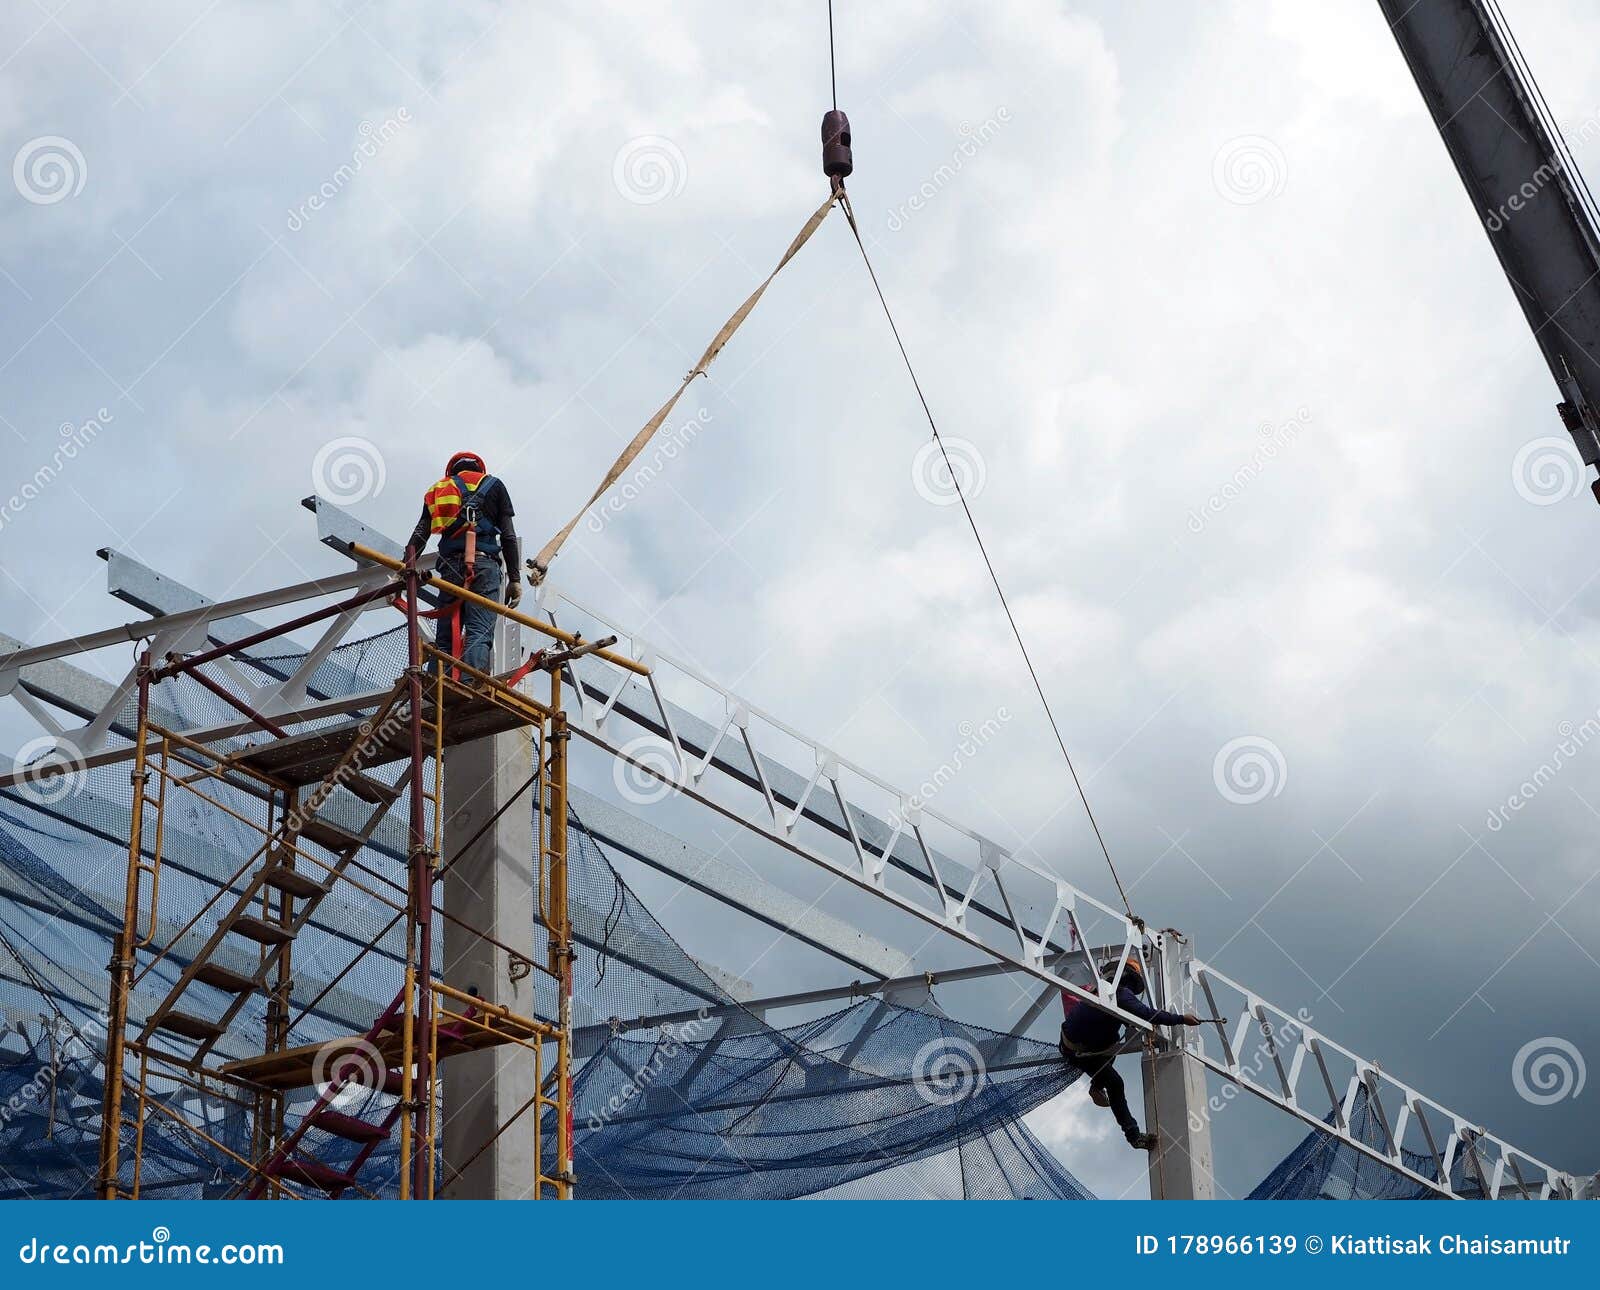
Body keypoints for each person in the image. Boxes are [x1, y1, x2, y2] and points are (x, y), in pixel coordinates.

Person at [1059, 958, 1200, 1150]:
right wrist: (1181, 1019)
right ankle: (1133, 1136)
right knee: (1115, 1082)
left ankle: (1097, 1086)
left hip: (1070, 1047)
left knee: (1113, 1039)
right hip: (1086, 1052)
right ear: (1129, 980)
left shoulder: (1097, 992)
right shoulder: (1121, 995)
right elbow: (1149, 1013)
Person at [405, 451, 522, 674]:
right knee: (479, 629)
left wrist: (406, 566)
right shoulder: (495, 485)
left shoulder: (439, 489)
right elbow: (508, 536)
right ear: (480, 470)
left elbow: (421, 532)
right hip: (484, 565)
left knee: (446, 633)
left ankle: (439, 685)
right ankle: (470, 685)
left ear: (452, 470)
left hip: (451, 568)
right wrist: (514, 579)